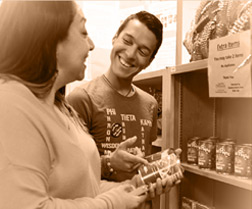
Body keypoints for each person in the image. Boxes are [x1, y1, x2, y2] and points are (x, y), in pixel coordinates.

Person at [0, 1, 179, 209]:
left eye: (143, 50)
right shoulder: (12, 104)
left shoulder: (59, 106)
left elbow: (84, 186)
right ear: (51, 37)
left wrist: (134, 186)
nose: (92, 44)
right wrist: (114, 201)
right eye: (83, 32)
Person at [67, 10, 164, 181]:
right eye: (127, 41)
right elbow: (68, 171)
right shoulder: (82, 99)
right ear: (115, 38)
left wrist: (161, 168)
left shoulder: (150, 104)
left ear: (149, 61)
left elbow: (141, 168)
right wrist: (109, 164)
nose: (131, 54)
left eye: (143, 51)